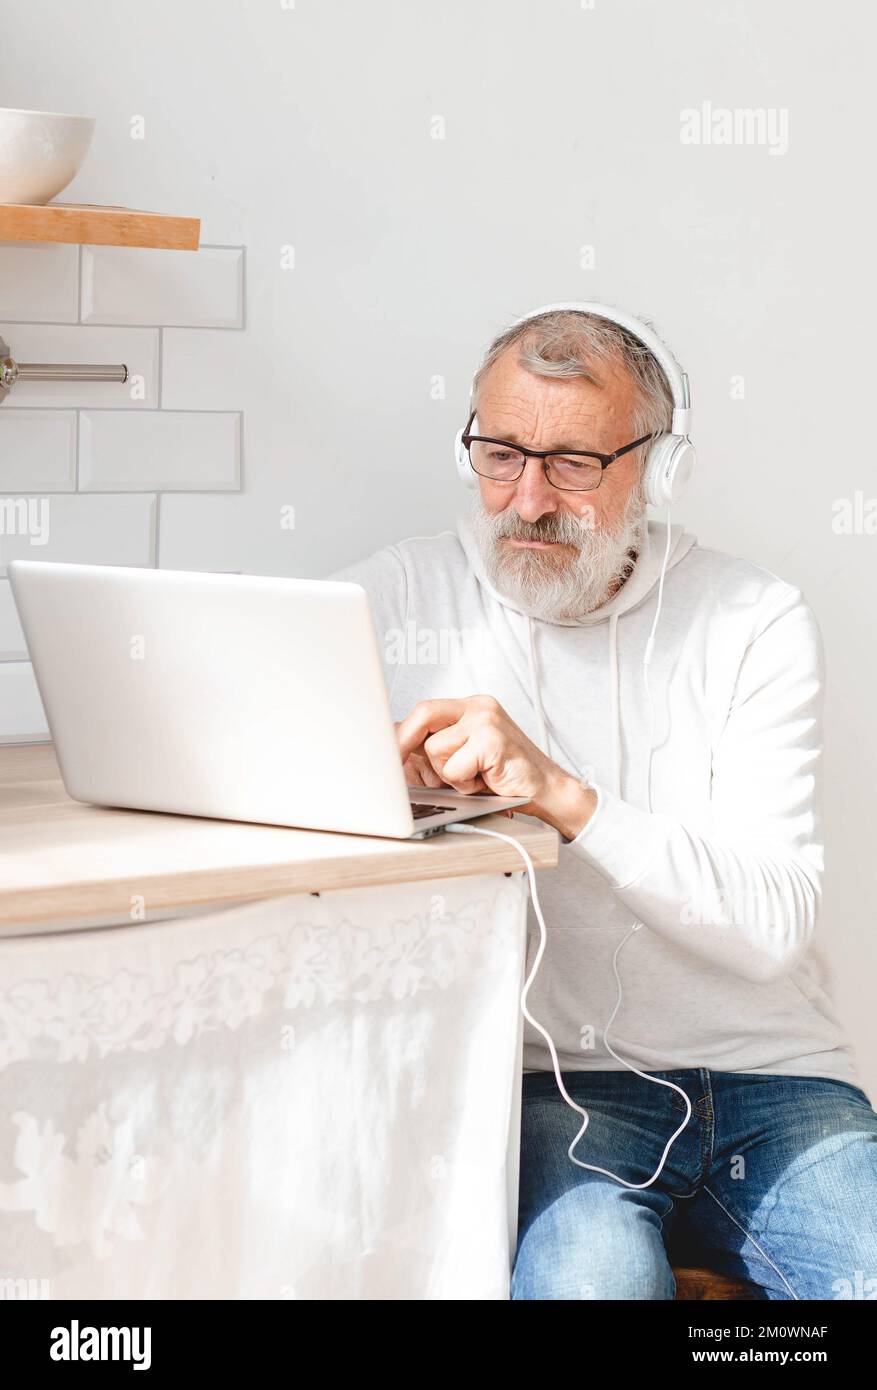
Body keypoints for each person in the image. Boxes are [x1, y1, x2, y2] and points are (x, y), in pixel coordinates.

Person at [332, 304, 877, 1300]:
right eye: (500, 453)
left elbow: (768, 928)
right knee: (593, 1285)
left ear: (659, 469)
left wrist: (556, 791)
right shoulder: (398, 598)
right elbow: (264, 751)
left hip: (778, 1074)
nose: (528, 497)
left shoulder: (752, 620)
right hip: (564, 1091)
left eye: (574, 464)